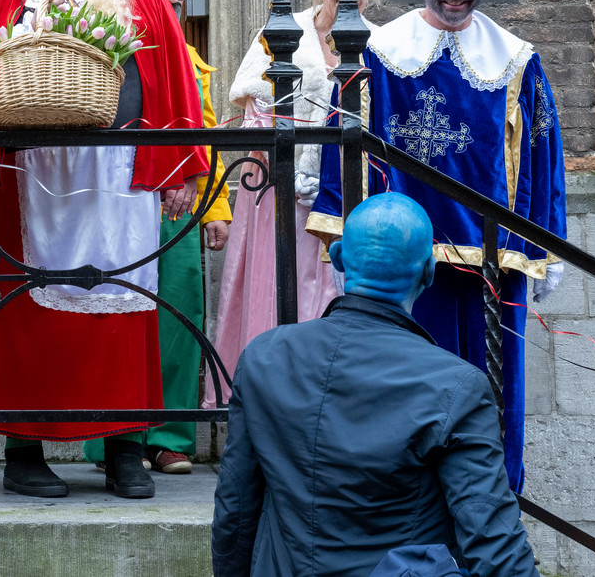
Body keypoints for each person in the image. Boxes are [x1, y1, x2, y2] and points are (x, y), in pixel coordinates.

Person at [0, 0, 208, 499]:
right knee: (24, 313)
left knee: (126, 306)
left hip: (120, 176)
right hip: (30, 174)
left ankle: (125, 449)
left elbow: (172, 79)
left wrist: (178, 166)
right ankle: (24, 451)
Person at [308, 0, 567, 491]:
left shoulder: (516, 58)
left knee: (491, 387)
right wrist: (342, 225)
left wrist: (543, 244)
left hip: (493, 258)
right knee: (401, 380)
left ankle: (489, 498)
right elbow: (343, 140)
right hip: (400, 257)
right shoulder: (379, 52)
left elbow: (543, 152)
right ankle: (404, 498)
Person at [212, 193, 539, 577]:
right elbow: (495, 546)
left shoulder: (264, 357)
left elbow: (235, 509)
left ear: (337, 258)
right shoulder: (457, 387)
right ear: (429, 273)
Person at [203, 0, 381, 408]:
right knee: (278, 287)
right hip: (277, 189)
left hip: (347, 195)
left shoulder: (379, 43)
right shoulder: (285, 31)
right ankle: (266, 401)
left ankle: (329, 405)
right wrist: (286, 166)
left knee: (333, 293)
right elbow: (253, 108)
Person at [83, 0, 231, 475]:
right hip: (119, 197)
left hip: (177, 202)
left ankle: (169, 438)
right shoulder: (107, 47)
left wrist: (216, 208)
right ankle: (111, 440)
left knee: (178, 315)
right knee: (115, 312)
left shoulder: (190, 60)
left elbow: (205, 139)